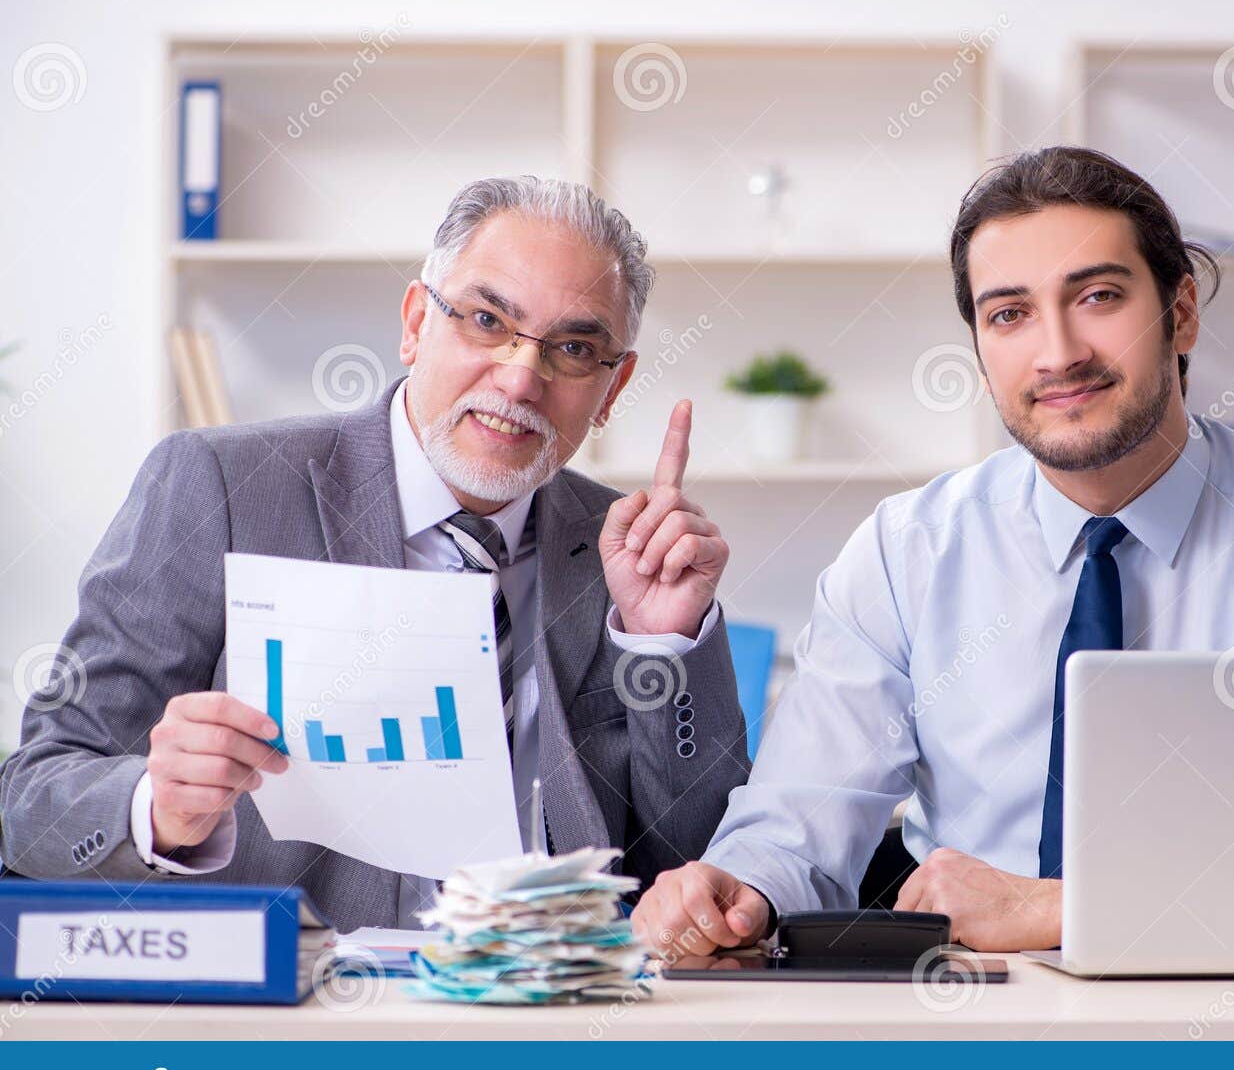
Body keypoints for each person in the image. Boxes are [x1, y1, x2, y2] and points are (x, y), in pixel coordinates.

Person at [633, 146, 1234, 955]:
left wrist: (1061, 911)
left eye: (1097, 296)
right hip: (977, 1024)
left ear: (1183, 313)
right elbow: (800, 824)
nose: (1058, 354)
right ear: (982, 351)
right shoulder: (906, 552)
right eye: (1009, 314)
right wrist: (737, 891)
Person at [0, 177, 749, 932]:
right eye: (487, 320)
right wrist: (156, 807)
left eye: (575, 348)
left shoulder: (625, 550)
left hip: (561, 1005)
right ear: (417, 322)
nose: (523, 377)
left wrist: (664, 644)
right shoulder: (220, 486)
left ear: (612, 387)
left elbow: (701, 871)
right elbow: (33, 800)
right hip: (298, 1013)